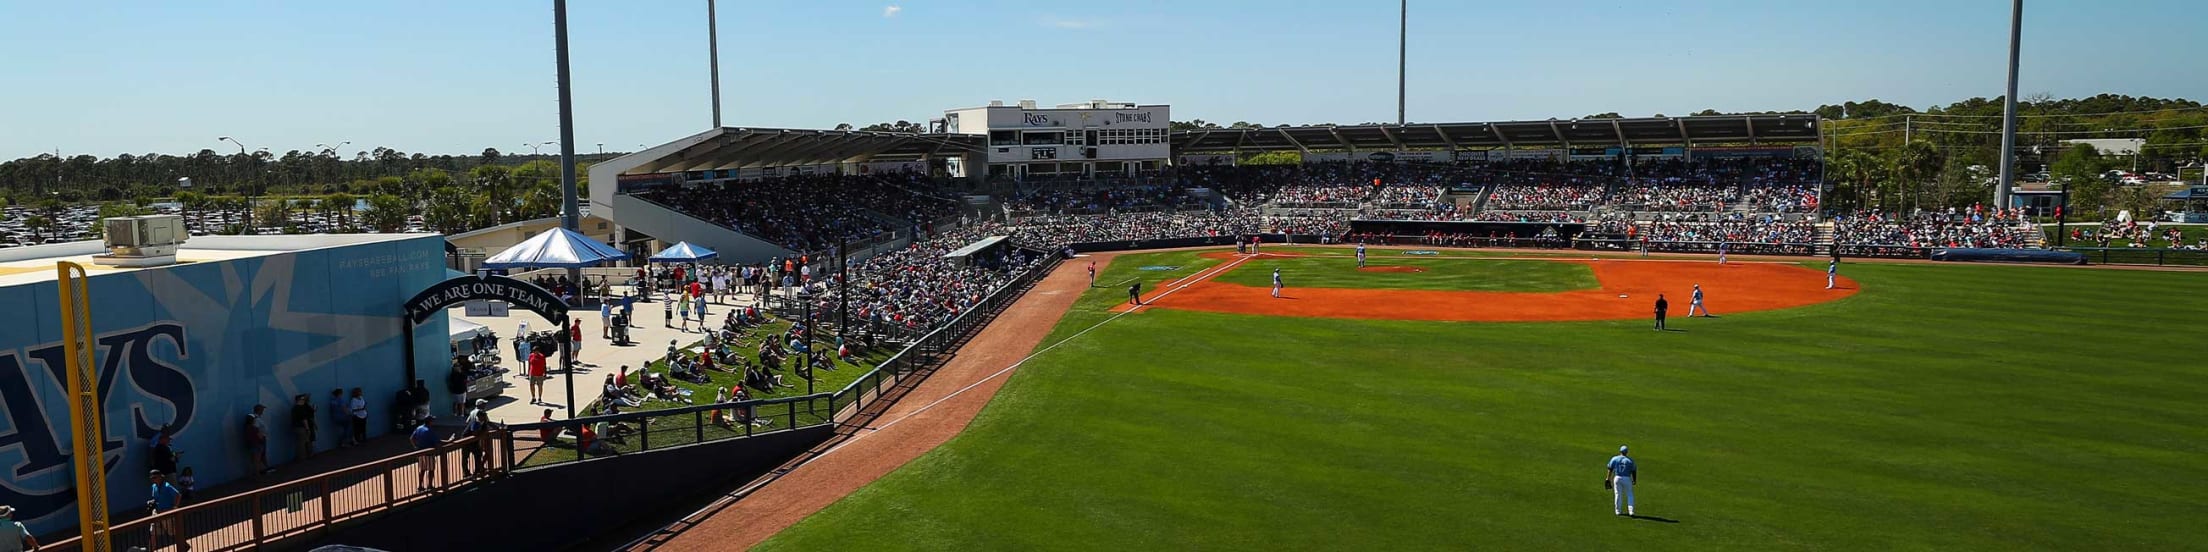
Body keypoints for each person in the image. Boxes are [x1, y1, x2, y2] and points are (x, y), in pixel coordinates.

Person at [147, 470, 184, 551]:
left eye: (155, 477)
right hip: (156, 512)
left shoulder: (167, 486)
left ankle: (183, 544)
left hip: (166, 512)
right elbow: (155, 498)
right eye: (152, 478)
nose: (153, 479)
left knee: (172, 531)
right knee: (153, 533)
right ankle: (150, 550)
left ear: (160, 477)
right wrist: (151, 502)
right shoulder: (153, 487)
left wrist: (174, 507)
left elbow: (178, 495)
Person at [1607, 445, 1638, 516]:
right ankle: (1631, 511)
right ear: (1627, 452)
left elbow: (1610, 468)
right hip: (1627, 478)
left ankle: (1618, 511)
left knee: (1618, 494)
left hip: (1617, 478)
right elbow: (1634, 471)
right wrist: (1634, 480)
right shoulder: (1630, 460)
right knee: (1629, 494)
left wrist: (1608, 478)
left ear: (1620, 451)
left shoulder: (1615, 458)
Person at [411, 416, 439, 491]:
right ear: (430, 422)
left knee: (422, 470)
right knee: (431, 470)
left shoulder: (419, 428)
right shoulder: (429, 430)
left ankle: (420, 486)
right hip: (429, 454)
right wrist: (449, 441)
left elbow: (412, 438)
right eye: (432, 421)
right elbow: (438, 442)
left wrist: (415, 447)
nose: (433, 422)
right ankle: (430, 486)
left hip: (421, 453)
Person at [244, 405, 271, 475]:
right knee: (257, 458)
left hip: (254, 442)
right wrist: (261, 439)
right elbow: (257, 433)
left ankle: (261, 470)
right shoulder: (255, 424)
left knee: (255, 458)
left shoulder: (249, 427)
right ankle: (258, 473)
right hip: (258, 442)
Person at [290, 394, 317, 461]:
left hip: (298, 427)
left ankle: (305, 456)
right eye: (303, 399)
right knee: (302, 442)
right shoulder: (300, 408)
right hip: (302, 427)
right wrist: (307, 428)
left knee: (304, 441)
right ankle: (303, 457)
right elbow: (304, 419)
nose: (304, 400)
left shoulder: (296, 408)